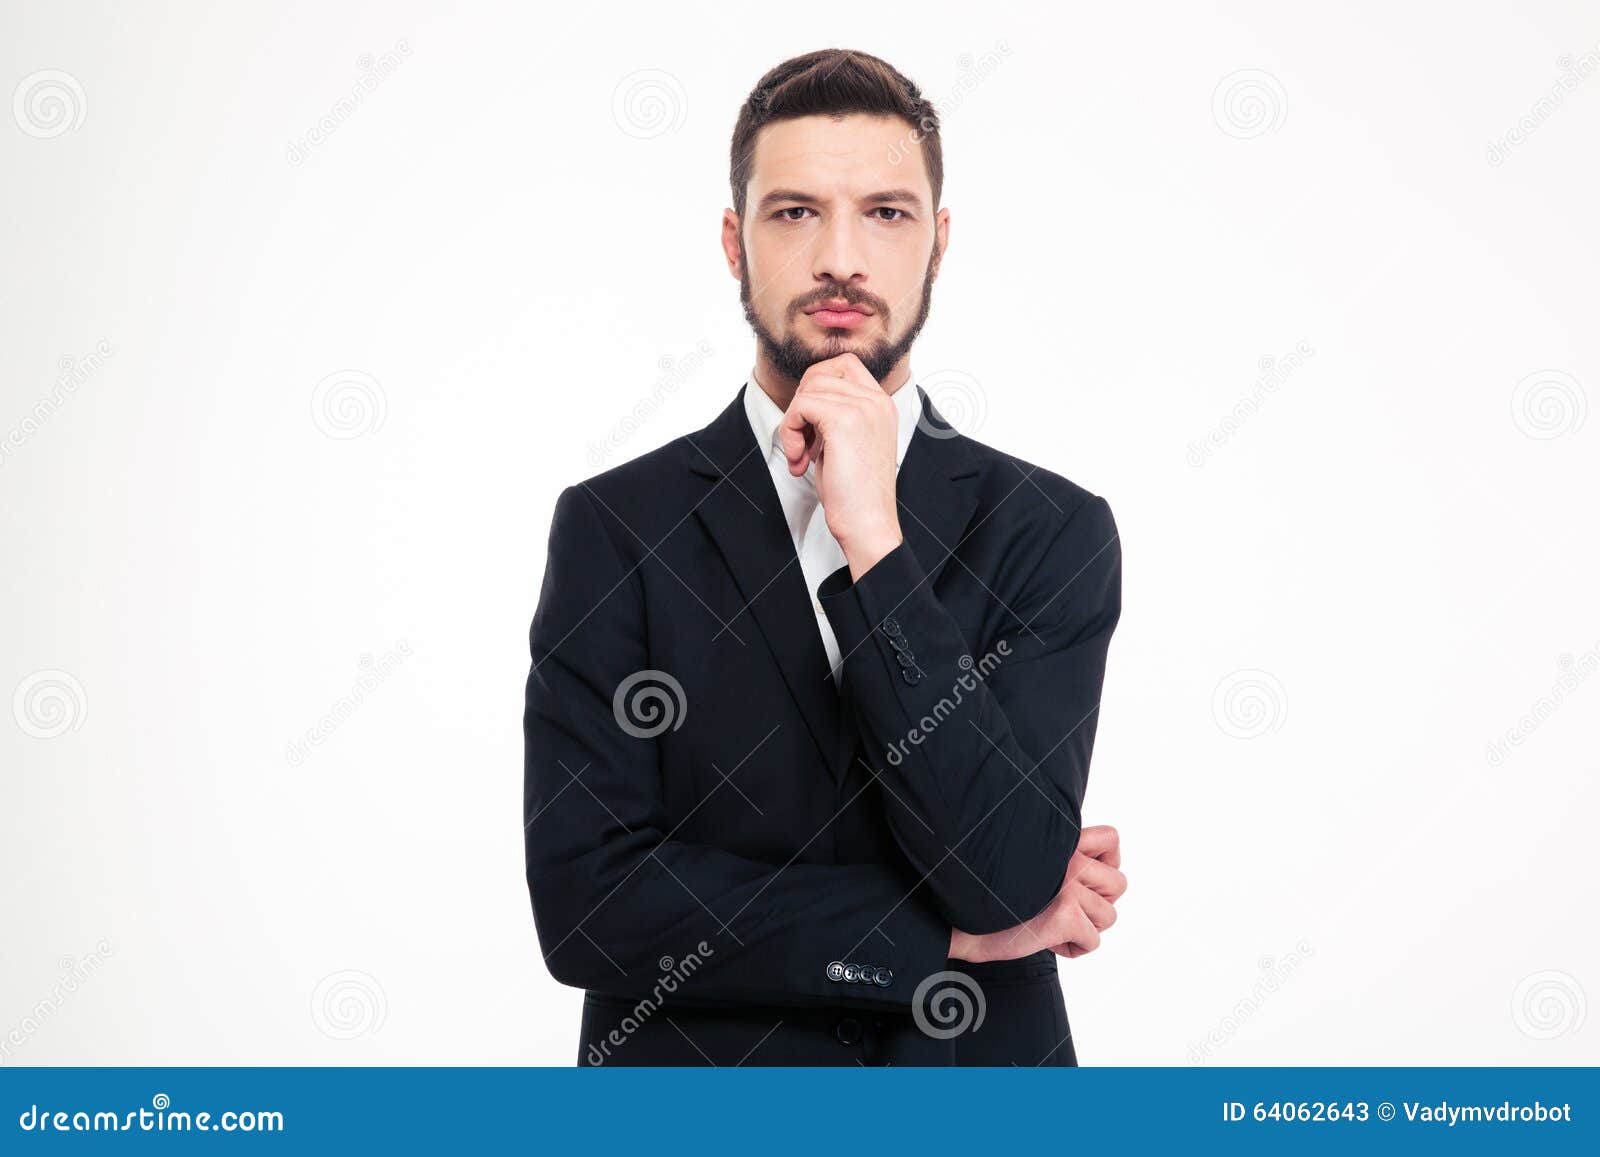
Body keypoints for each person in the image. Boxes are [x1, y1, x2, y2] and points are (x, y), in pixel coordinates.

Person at [523, 47, 1126, 1066]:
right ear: (734, 241)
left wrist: (874, 539)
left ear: (935, 243)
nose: (839, 257)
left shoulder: (1050, 528)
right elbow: (593, 906)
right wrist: (937, 935)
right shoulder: (616, 525)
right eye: (795, 211)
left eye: (884, 213)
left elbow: (1006, 873)